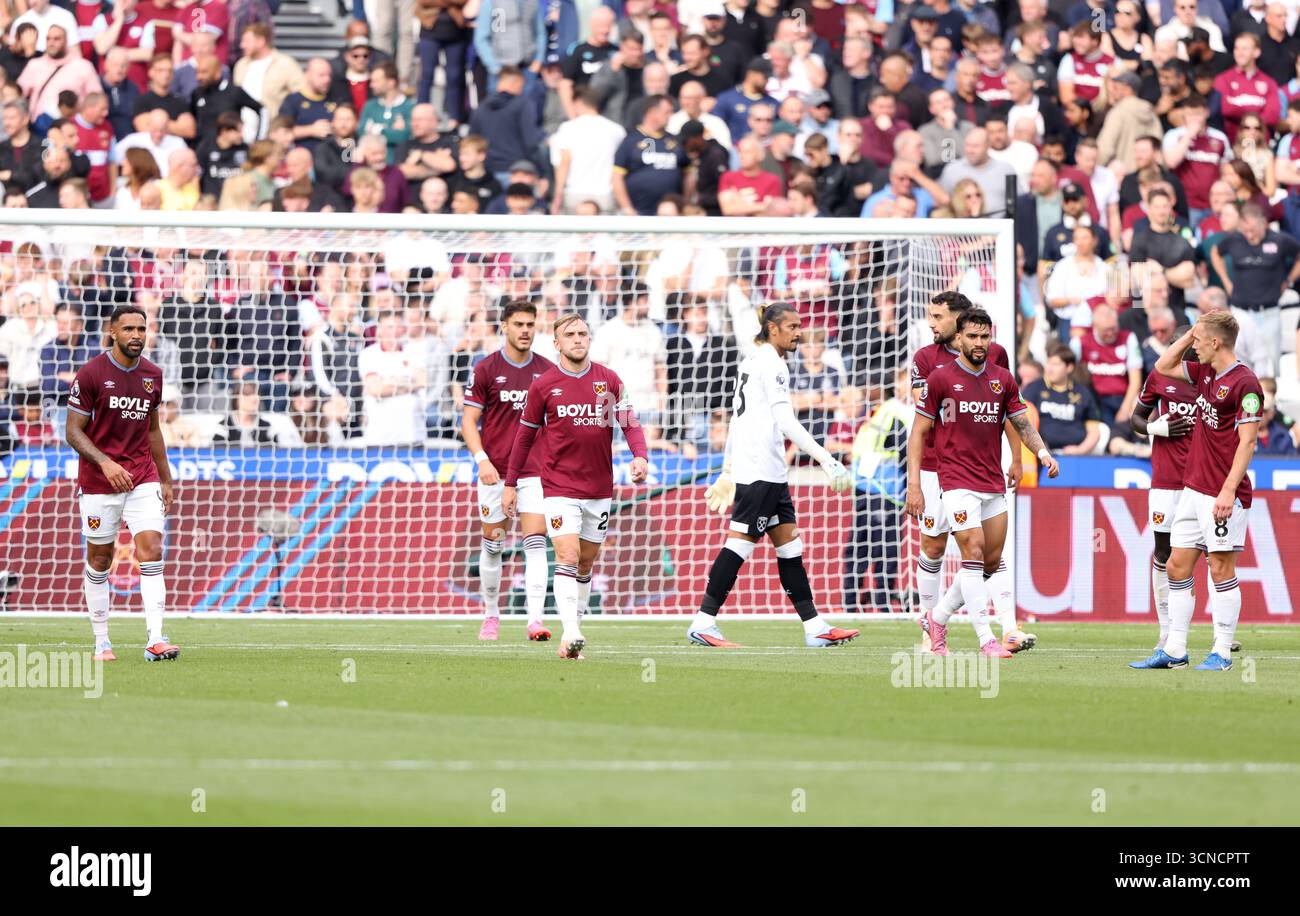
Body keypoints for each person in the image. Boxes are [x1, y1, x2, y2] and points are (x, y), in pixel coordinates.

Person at [690, 303, 857, 648]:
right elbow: (785, 421)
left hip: (767, 471)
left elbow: (739, 419)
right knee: (738, 545)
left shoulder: (752, 360)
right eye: (793, 326)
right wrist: (826, 458)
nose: (799, 332)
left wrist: (728, 469)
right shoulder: (773, 363)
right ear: (773, 328)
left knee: (789, 546)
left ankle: (814, 627)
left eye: (800, 326)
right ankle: (703, 622)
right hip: (761, 471)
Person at [908, 307, 1059, 658]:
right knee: (972, 553)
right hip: (955, 479)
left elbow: (1021, 423)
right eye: (972, 337)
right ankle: (986, 639)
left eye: (984, 336)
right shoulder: (941, 379)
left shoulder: (1002, 379)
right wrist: (914, 484)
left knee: (991, 561)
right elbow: (918, 433)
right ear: (959, 338)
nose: (979, 343)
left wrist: (1042, 453)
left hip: (991, 479)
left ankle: (937, 617)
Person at [502, 314, 650, 660]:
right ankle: (571, 632)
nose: (578, 339)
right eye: (570, 334)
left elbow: (629, 423)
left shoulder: (609, 380)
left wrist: (640, 456)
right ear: (556, 344)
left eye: (583, 333)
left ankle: (571, 637)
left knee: (586, 563)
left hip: (599, 488)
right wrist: (511, 484)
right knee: (566, 556)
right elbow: (524, 439)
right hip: (557, 487)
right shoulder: (543, 386)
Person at [1142, 313, 1264, 671]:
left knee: (1220, 568)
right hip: (1193, 490)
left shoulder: (1246, 384)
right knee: (1177, 565)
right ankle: (1176, 649)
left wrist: (1227, 491)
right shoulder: (1205, 372)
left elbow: (1249, 441)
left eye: (1198, 339)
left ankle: (1222, 653)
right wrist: (1194, 330)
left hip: (1222, 493)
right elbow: (1164, 365)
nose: (1192, 345)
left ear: (1216, 343)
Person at [64, 305, 177, 663]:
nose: (136, 335)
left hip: (142, 476)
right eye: (128, 329)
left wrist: (166, 477)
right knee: (100, 559)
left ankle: (155, 639)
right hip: (99, 480)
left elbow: (153, 429)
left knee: (152, 550)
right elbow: (73, 431)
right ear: (113, 332)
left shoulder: (152, 375)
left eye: (141, 329)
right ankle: (101, 642)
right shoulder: (92, 373)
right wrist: (104, 461)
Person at [461, 300, 555, 642]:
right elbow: (468, 421)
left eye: (530, 324)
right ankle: (490, 615)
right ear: (504, 326)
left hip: (534, 473)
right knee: (493, 545)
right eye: (519, 324)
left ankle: (535, 621)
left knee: (535, 542)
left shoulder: (547, 371)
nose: (526, 330)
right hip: (495, 473)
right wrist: (482, 460)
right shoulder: (486, 369)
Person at [1129, 333, 1199, 660]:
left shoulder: (1212, 381)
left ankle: (1222, 634)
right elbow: (1136, 420)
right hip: (1166, 480)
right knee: (1163, 551)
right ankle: (1166, 631)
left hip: (1203, 479)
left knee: (1213, 553)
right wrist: (1160, 429)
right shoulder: (1159, 377)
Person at [842, 365, 911, 613]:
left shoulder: (890, 412)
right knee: (872, 546)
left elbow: (901, 451)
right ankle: (865, 602)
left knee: (872, 547)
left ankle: (868, 603)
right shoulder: (887, 412)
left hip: (877, 489)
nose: (862, 390)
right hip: (875, 489)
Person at [1208, 202, 1300, 382]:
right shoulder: (1234, 239)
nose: (1249, 234)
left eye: (1253, 230)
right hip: (1240, 311)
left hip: (1269, 311)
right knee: (1238, 361)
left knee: (1271, 363)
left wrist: (1289, 280)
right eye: (1245, 230)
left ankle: (1271, 404)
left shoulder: (1279, 240)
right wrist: (1226, 281)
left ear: (1264, 223)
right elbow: (1215, 252)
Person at [358, 310, 425, 446]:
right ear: (380, 330)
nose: (394, 331)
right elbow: (376, 389)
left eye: (397, 327)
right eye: (389, 327)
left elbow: (422, 381)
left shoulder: (414, 352)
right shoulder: (369, 355)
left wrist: (390, 382)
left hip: (412, 434)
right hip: (381, 436)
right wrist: (407, 383)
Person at [1022, 344, 1104, 454]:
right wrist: (1039, 448)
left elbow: (1094, 431)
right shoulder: (1033, 389)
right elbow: (1022, 422)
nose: (1049, 369)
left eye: (1055, 364)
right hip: (1038, 454)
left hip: (1075, 456)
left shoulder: (1083, 393)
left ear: (1069, 367)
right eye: (1048, 363)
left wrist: (1079, 450)